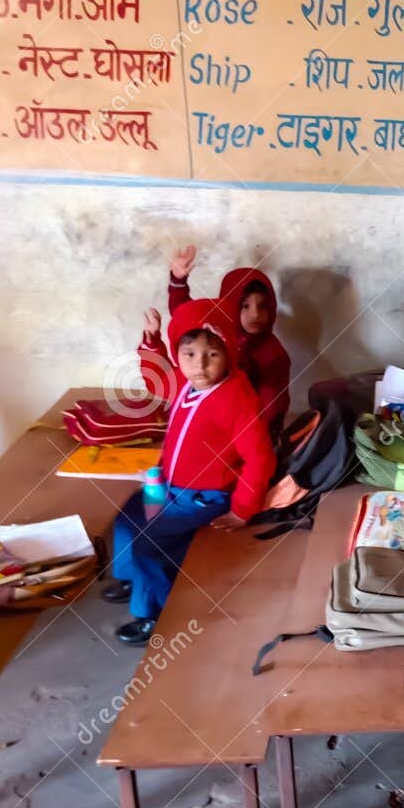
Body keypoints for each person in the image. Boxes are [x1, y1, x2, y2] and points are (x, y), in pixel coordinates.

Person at [102, 299, 275, 645]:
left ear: (228, 352)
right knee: (126, 518)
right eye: (189, 354)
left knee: (149, 542)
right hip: (168, 487)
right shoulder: (185, 383)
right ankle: (133, 577)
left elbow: (261, 459)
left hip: (201, 498)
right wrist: (151, 341)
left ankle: (156, 615)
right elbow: (158, 379)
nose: (200, 365)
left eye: (213, 354)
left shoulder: (235, 399)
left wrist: (242, 509)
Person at [145, 245, 292, 434]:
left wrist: (249, 439)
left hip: (248, 431)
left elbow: (271, 406)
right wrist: (178, 281)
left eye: (263, 306)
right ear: (229, 305)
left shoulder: (273, 354)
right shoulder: (218, 330)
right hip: (208, 418)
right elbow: (186, 316)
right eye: (245, 306)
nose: (255, 314)